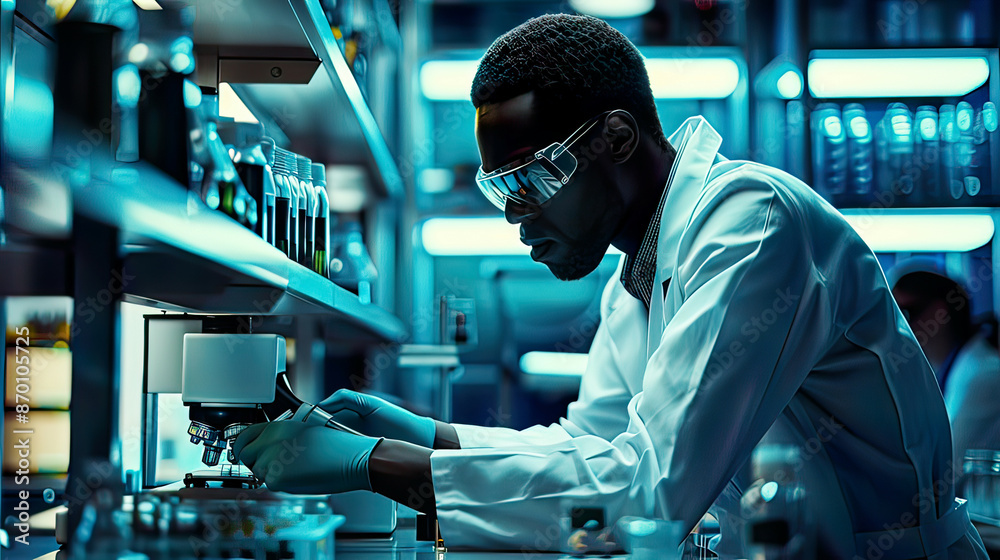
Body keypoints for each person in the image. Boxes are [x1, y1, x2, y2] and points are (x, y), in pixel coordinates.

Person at [233, 14, 987, 558]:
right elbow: (592, 446)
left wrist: (375, 466)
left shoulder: (749, 225)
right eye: (502, 191)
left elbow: (645, 495)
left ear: (617, 140)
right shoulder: (634, 276)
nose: (517, 217)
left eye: (532, 177)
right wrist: (417, 432)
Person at [892, 269, 1000, 474]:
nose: (898, 327)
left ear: (940, 313)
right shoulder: (951, 369)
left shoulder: (983, 377)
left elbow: (944, 472)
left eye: (904, 313)